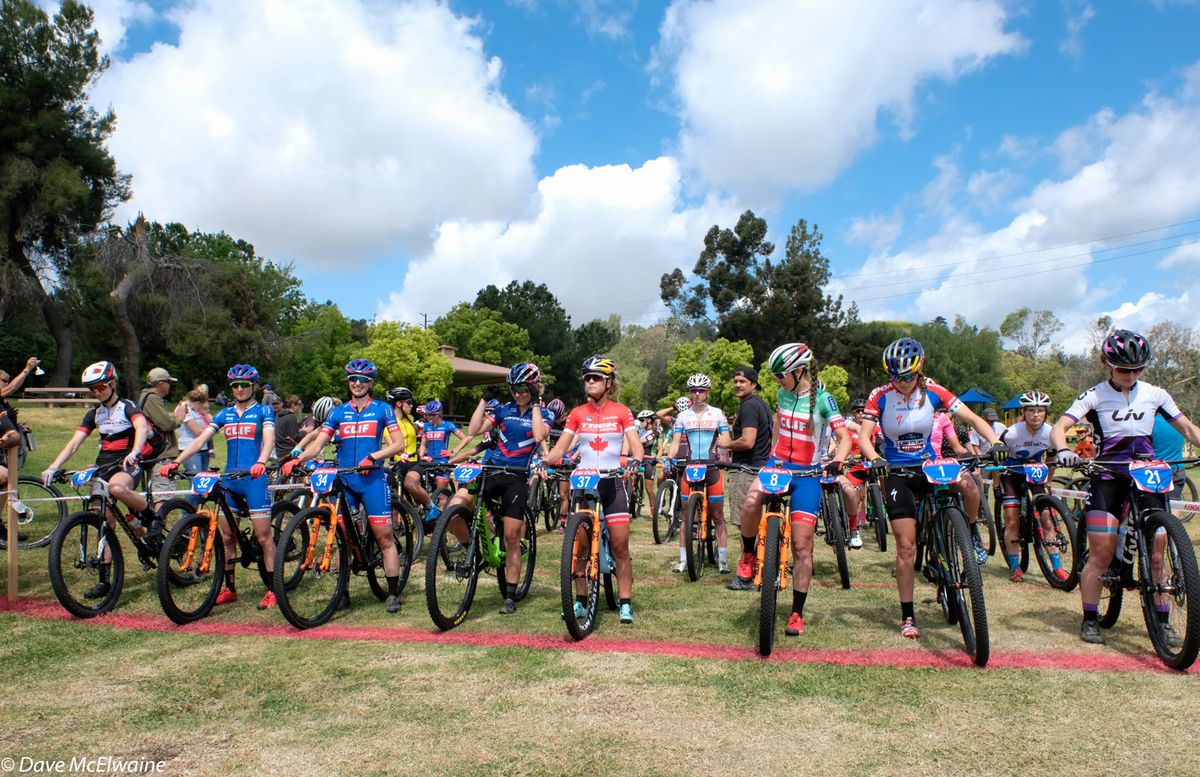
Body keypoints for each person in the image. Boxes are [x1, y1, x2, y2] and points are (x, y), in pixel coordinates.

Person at [1051, 330, 1200, 646]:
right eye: (1123, 369)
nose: (1131, 376)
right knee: (1101, 554)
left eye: (1137, 369)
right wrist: (1063, 449)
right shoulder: (1094, 395)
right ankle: (1090, 618)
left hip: (1147, 473)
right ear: (1107, 364)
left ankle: (1163, 621)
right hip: (1109, 476)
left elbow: (1187, 427)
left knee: (1158, 555)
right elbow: (1060, 426)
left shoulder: (1156, 394)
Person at [857, 338, 1006, 640]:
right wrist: (875, 458)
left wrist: (997, 442)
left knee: (968, 484)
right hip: (897, 472)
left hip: (929, 466)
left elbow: (973, 418)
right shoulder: (880, 396)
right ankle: (908, 615)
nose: (901, 383)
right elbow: (864, 437)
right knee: (906, 547)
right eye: (895, 377)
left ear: (919, 369)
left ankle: (970, 534)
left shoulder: (934, 392)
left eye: (908, 376)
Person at [732, 344, 850, 637]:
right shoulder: (782, 393)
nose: (776, 380)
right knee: (749, 503)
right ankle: (748, 555)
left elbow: (844, 436)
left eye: (781, 374)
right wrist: (770, 455)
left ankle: (797, 612)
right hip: (779, 464)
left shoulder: (823, 399)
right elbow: (777, 424)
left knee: (801, 546)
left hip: (808, 473)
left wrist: (837, 460)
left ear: (799, 371)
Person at [283, 360, 408, 613]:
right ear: (348, 383)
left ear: (371, 382)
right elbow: (318, 444)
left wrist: (373, 457)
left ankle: (392, 592)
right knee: (343, 537)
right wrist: (298, 458)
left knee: (384, 538)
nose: (358, 383)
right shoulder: (338, 413)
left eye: (363, 379)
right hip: (345, 481)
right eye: (353, 379)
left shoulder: (382, 410)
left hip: (372, 479)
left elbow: (399, 445)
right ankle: (344, 592)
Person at [41, 362, 165, 599]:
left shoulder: (128, 406)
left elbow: (140, 427)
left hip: (128, 461)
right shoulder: (94, 414)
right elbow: (74, 443)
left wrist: (135, 451)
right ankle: (105, 580)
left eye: (100, 387)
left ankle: (154, 517)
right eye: (92, 389)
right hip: (103, 464)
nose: (97, 392)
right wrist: (53, 466)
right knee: (103, 520)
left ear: (112, 383)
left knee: (118, 488)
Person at [159, 365, 278, 609]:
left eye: (244, 384)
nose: (240, 389)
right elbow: (201, 439)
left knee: (263, 536)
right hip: (231, 480)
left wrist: (261, 461)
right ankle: (230, 589)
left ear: (254, 386)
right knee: (226, 538)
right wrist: (177, 461)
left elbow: (268, 438)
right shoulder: (225, 414)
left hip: (254, 478)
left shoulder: (264, 411)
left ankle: (273, 590)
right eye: (235, 385)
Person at [543, 356, 644, 624]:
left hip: (611, 482)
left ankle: (625, 603)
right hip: (584, 483)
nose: (590, 381)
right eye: (587, 377)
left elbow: (636, 445)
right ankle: (580, 599)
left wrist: (635, 459)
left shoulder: (622, 411)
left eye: (596, 377)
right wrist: (544, 461)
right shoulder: (577, 413)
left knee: (621, 545)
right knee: (580, 546)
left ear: (609, 382)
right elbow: (560, 448)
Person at [446, 363, 548, 615]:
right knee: (454, 506)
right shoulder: (504, 409)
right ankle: (474, 546)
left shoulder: (543, 413)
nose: (518, 393)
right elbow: (474, 430)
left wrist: (535, 404)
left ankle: (511, 595)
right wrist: (484, 400)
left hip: (517, 476)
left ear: (533, 387)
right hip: (492, 471)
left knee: (512, 537)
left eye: (523, 388)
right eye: (513, 388)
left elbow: (538, 436)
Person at [997, 390, 1068, 583]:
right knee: (1012, 521)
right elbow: (996, 459)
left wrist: (1049, 482)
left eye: (1040, 410)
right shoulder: (1011, 434)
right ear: (1024, 413)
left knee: (1046, 519)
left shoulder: (1050, 432)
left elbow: (1051, 459)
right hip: (1012, 474)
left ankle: (1057, 567)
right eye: (1031, 411)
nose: (1036, 415)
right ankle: (1015, 567)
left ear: (1045, 413)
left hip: (1035, 474)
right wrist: (996, 486)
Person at [667, 373, 733, 574]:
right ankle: (683, 560)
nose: (697, 394)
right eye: (694, 391)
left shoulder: (717, 414)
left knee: (718, 515)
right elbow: (676, 442)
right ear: (690, 393)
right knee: (686, 516)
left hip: (712, 467)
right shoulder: (682, 416)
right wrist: (669, 458)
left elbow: (725, 438)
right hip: (690, 466)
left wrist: (725, 457)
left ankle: (722, 559)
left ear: (707, 392)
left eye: (701, 390)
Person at [726, 366, 773, 538]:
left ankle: (751, 563)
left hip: (746, 471)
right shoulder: (761, 404)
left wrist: (727, 443)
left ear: (753, 385)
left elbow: (747, 441)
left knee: (746, 528)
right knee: (760, 526)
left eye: (742, 381)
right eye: (735, 381)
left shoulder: (749, 406)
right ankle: (763, 563)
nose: (738, 385)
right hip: (761, 469)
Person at [138, 367, 182, 507]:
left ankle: (154, 527)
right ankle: (159, 528)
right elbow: (165, 424)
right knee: (162, 497)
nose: (170, 385)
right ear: (161, 383)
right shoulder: (152, 398)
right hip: (162, 455)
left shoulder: (146, 397)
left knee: (155, 496)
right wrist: (179, 418)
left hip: (154, 454)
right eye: (168, 382)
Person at [273, 395, 303, 462]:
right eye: (299, 404)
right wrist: (305, 431)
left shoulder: (279, 415)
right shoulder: (291, 417)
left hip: (279, 451)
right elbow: (295, 437)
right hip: (288, 452)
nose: (300, 407)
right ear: (293, 405)